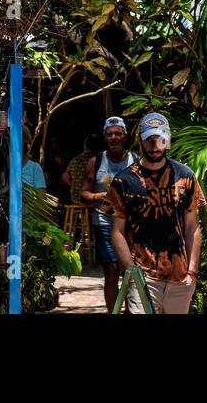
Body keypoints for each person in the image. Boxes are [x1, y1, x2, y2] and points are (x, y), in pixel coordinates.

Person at [105, 113, 203, 314]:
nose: (155, 145)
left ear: (167, 140)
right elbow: (117, 232)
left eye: (160, 139)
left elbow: (193, 227)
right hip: (143, 277)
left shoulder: (186, 175)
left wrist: (192, 272)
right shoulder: (123, 181)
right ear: (139, 139)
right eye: (149, 139)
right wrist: (132, 272)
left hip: (180, 277)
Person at [82, 117, 136, 310]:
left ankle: (131, 310)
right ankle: (113, 310)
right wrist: (102, 195)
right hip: (104, 223)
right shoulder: (95, 162)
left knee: (129, 272)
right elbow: (84, 194)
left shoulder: (136, 161)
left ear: (125, 136)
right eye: (110, 134)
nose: (114, 137)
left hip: (131, 225)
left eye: (118, 133)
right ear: (105, 137)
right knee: (111, 272)